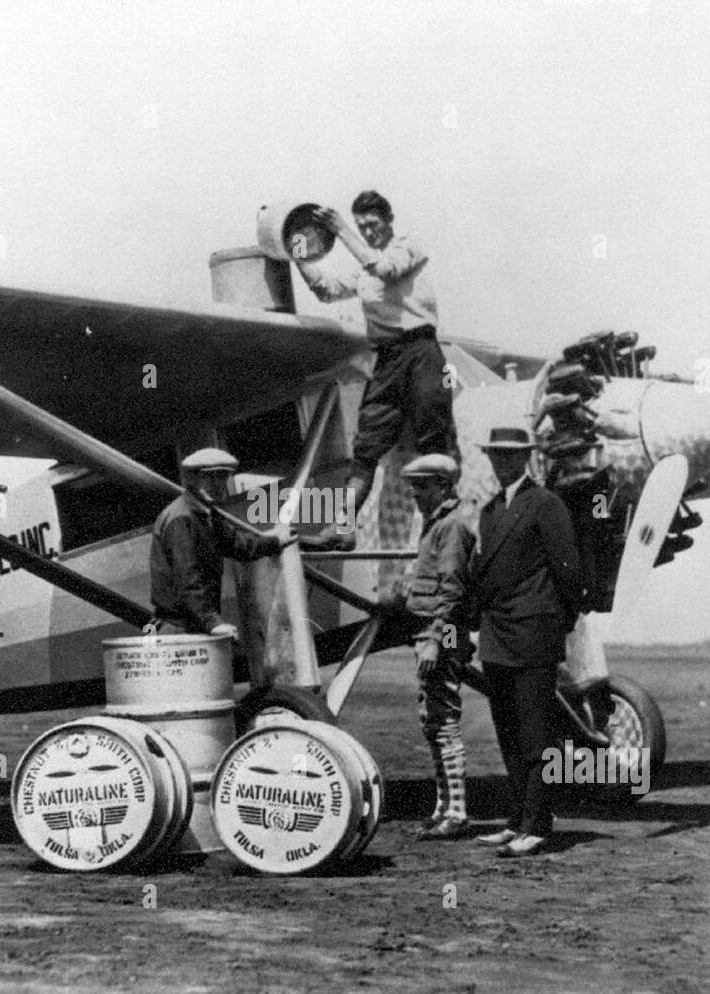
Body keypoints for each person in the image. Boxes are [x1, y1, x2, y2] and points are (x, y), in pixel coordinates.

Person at [292, 190, 457, 551]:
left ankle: (444, 527)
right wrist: (299, 253)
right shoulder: (364, 268)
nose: (367, 231)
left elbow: (386, 269)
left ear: (388, 220)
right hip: (387, 360)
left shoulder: (407, 246)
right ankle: (342, 527)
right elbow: (328, 290)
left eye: (372, 224)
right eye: (361, 226)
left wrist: (343, 231)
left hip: (421, 351)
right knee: (365, 449)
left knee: (433, 439)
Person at [470, 427, 584, 858]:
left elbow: (568, 570)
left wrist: (558, 620)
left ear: (525, 458)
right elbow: (485, 576)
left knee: (538, 735)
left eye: (510, 456)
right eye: (496, 455)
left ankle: (538, 824)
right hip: (498, 635)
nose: (502, 463)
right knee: (509, 734)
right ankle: (517, 820)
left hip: (534, 633)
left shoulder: (545, 504)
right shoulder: (491, 509)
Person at [400, 453, 476, 840]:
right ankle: (444, 807)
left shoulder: (449, 527)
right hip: (433, 631)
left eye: (422, 485)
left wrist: (434, 641)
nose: (415, 493)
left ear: (443, 487)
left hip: (441, 632)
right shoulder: (439, 524)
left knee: (443, 723)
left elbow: (452, 591)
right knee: (433, 721)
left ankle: (457, 812)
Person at [147, 448, 295, 637]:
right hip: (179, 629)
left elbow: (238, 544)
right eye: (208, 477)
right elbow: (188, 579)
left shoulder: (205, 514)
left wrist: (275, 539)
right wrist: (212, 623)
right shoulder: (181, 519)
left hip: (192, 624)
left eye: (222, 477)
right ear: (191, 480)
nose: (216, 484)